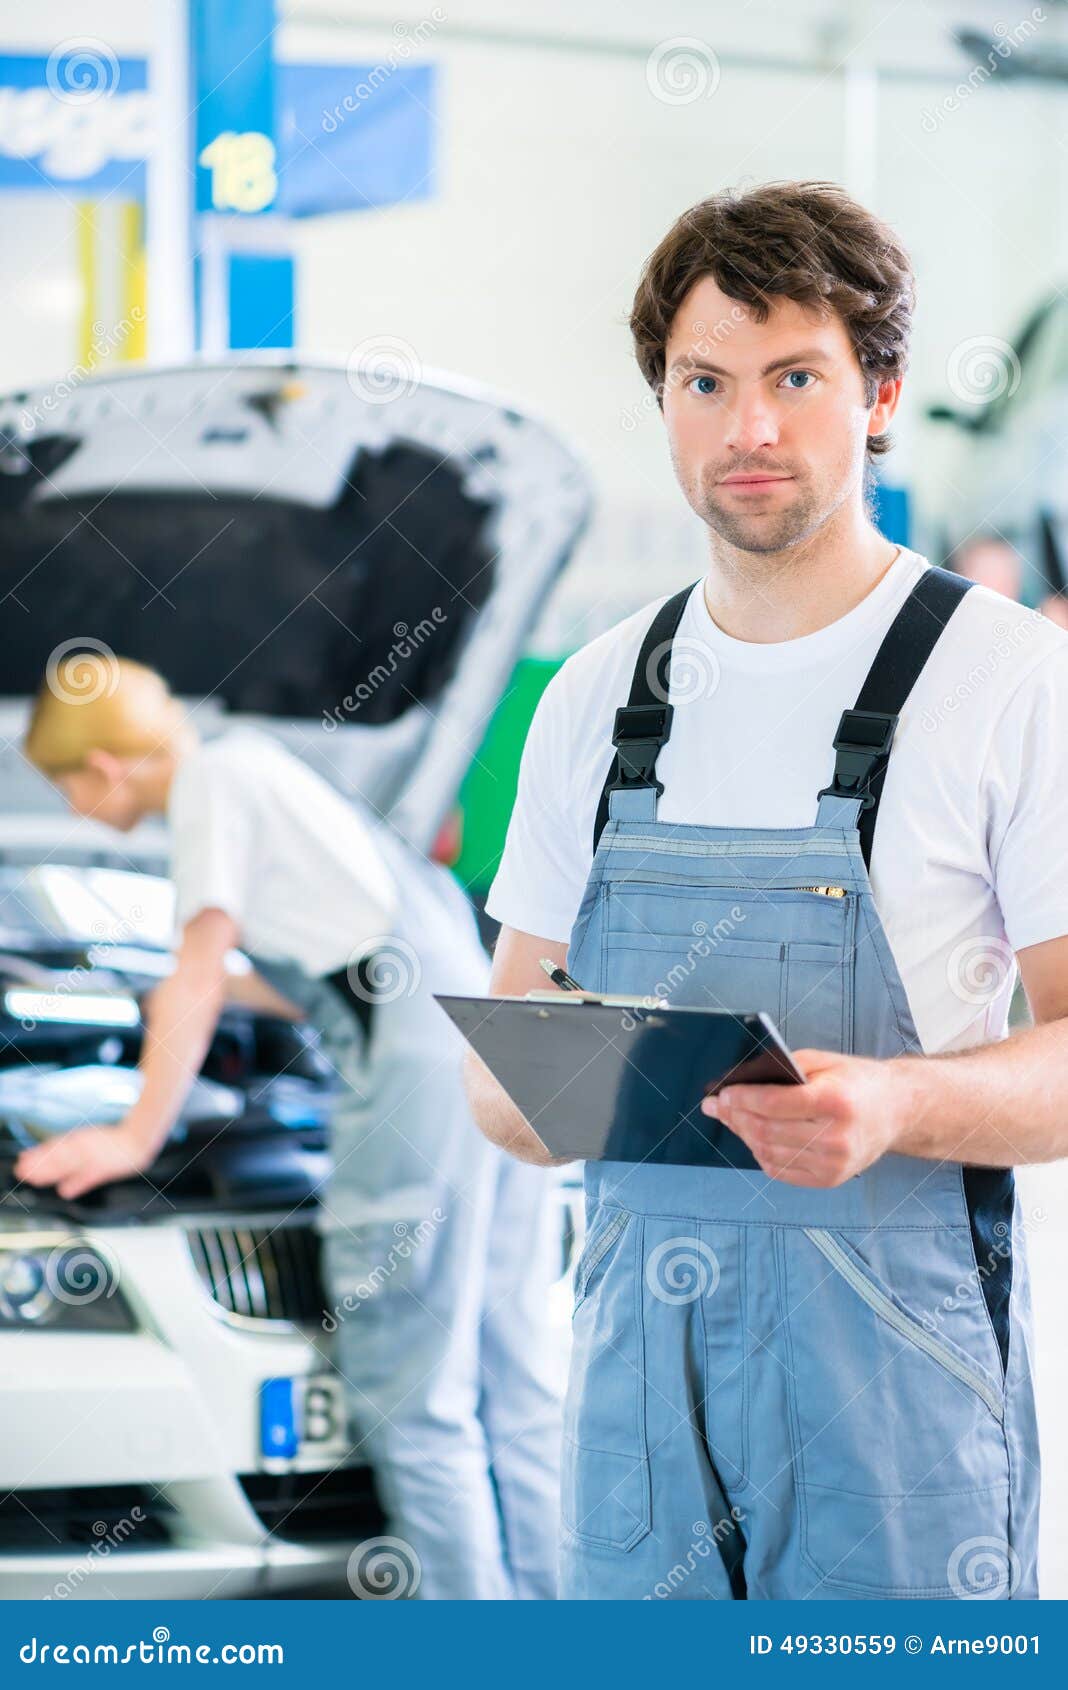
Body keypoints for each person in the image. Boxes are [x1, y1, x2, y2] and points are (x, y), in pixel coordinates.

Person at [467, 180, 1068, 1601]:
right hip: (636, 1391)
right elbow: (501, 1083)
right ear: (663, 398)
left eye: (796, 376)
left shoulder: (1008, 681)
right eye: (705, 381)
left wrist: (896, 1104)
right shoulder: (596, 700)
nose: (748, 428)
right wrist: (604, 1080)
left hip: (897, 1388)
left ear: (880, 392)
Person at [17, 661, 562, 1600]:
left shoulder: (210, 782)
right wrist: (179, 995)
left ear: (104, 765)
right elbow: (328, 963)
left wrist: (132, 1138)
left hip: (416, 1070)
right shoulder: (271, 770)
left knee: (413, 1389)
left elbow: (199, 964)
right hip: (489, 1043)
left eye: (65, 785)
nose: (71, 806)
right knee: (510, 1377)